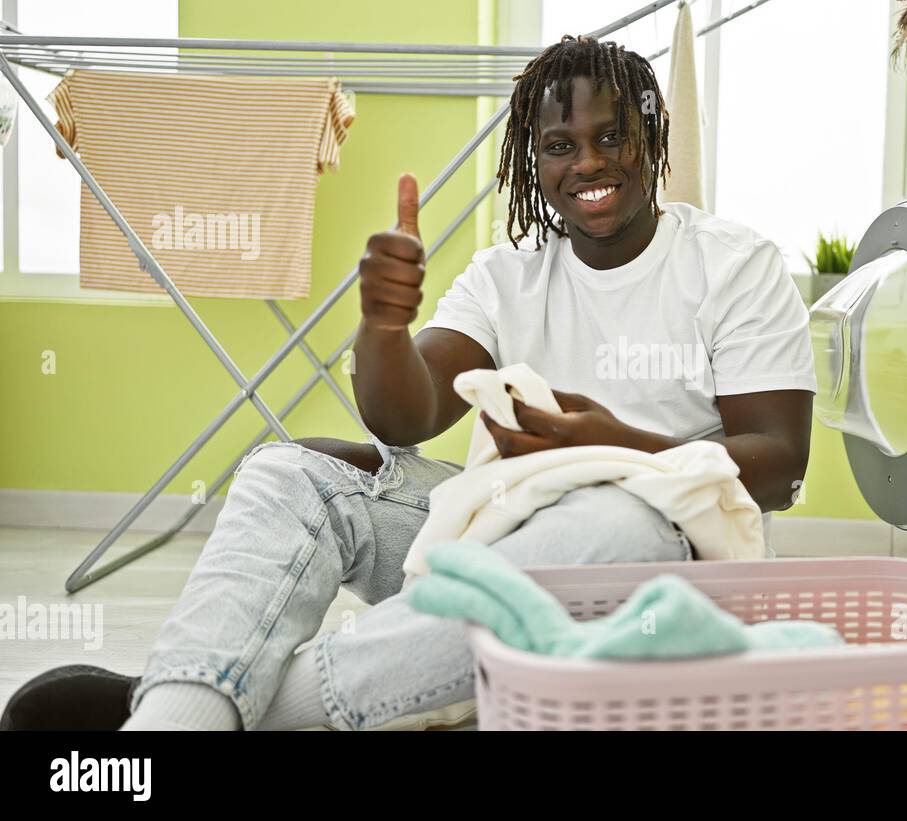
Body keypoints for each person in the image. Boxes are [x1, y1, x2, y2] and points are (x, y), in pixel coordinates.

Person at [0, 34, 816, 731]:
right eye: (562, 145)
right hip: (493, 543)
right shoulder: (507, 276)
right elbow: (407, 415)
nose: (590, 162)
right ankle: (186, 716)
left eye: (615, 136)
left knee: (620, 515)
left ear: (653, 133)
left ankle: (225, 700)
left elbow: (779, 460)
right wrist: (383, 326)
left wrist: (614, 445)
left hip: (654, 575)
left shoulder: (733, 266)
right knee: (290, 470)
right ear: (533, 159)